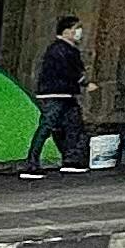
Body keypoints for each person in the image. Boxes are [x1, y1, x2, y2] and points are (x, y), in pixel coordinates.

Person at [23, 18, 89, 178]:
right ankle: (31, 164)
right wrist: (84, 82)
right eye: (76, 28)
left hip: (65, 93)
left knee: (73, 125)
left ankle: (71, 160)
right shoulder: (60, 49)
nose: (79, 32)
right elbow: (69, 71)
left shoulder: (68, 49)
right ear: (66, 31)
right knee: (48, 126)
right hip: (55, 93)